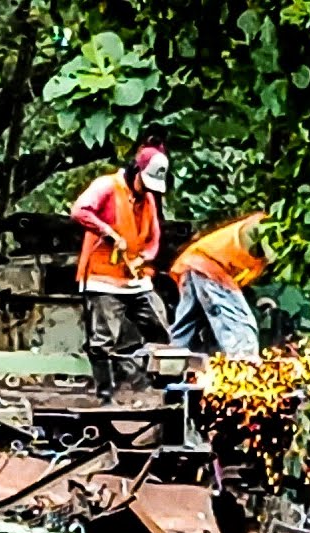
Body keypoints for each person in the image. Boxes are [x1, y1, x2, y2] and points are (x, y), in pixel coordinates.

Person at [70, 139, 172, 404]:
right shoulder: (107, 186)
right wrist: (109, 232)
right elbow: (79, 210)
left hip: (135, 279)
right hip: (103, 279)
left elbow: (154, 239)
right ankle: (105, 394)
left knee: (159, 327)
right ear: (136, 172)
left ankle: (156, 387)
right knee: (103, 339)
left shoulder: (149, 199)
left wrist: (144, 260)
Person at [168, 212, 268, 360]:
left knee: (186, 328)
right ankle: (243, 366)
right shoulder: (262, 227)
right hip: (208, 269)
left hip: (191, 265)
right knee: (239, 326)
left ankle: (170, 366)